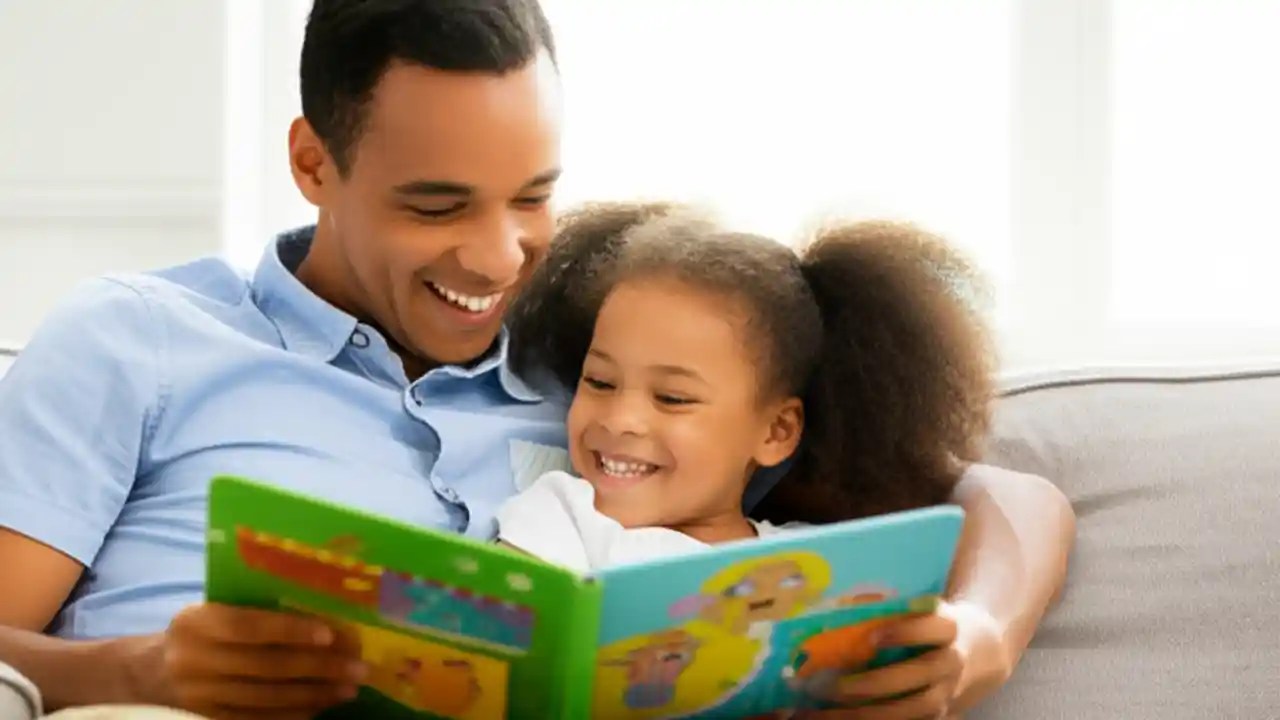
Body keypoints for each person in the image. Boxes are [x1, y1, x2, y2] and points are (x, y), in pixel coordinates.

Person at [0, 1, 1075, 719]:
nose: (496, 257)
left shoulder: (597, 377)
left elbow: (1001, 494)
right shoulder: (141, 340)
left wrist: (980, 629)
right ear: (313, 163)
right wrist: (135, 669)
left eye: (531, 198)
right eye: (436, 207)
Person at [496, 203, 995, 575]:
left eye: (671, 398)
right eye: (600, 382)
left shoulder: (813, 562)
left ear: (776, 432)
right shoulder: (561, 516)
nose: (619, 418)